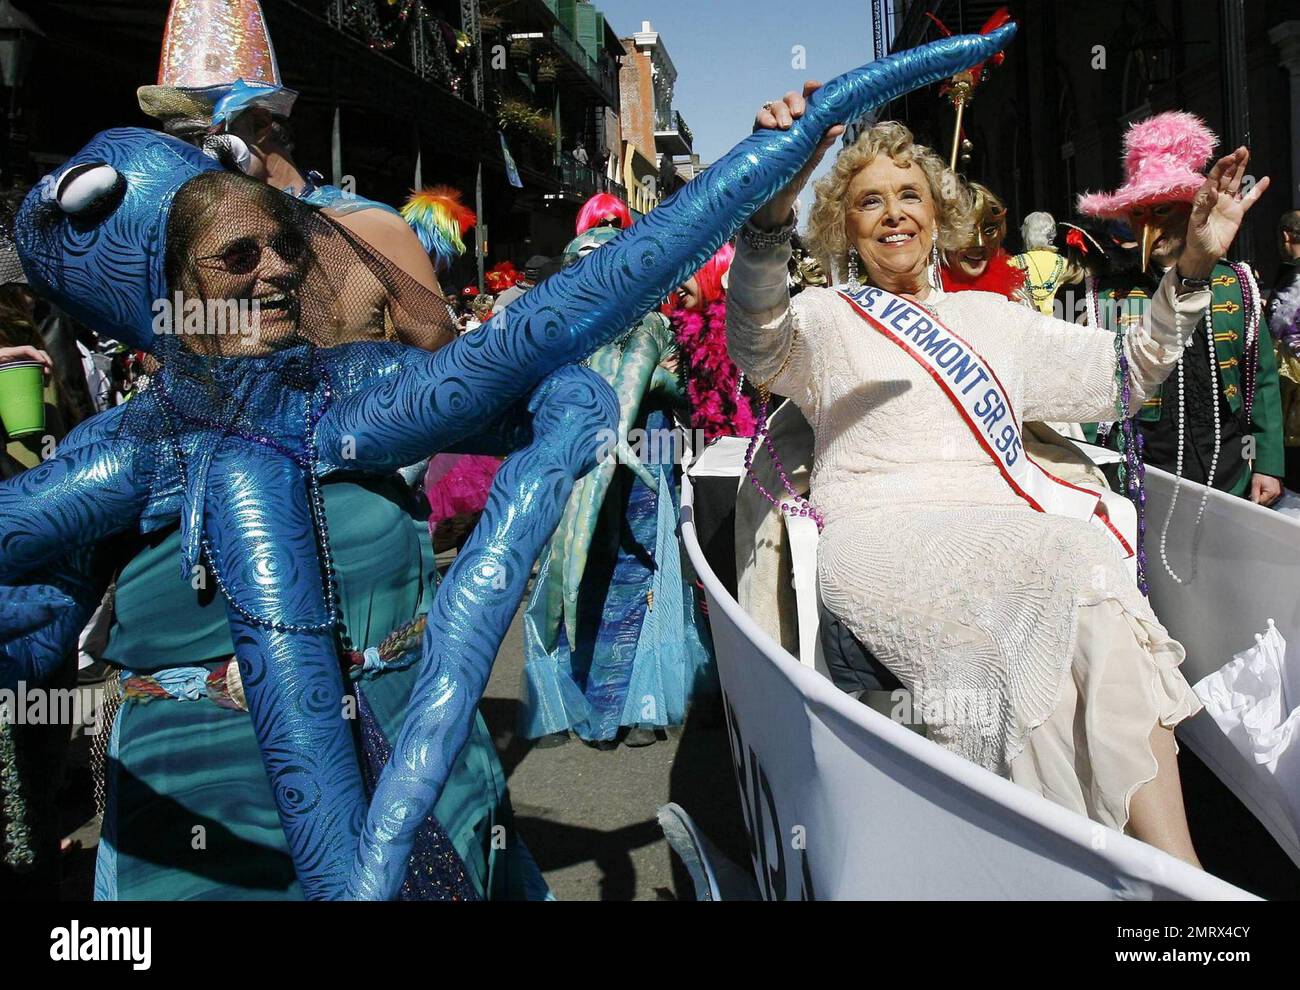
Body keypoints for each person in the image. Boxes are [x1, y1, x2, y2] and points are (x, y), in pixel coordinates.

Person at [732, 87, 1268, 863]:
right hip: (878, 539)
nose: (892, 214)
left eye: (909, 194)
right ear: (841, 223)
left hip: (1003, 532)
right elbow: (756, 335)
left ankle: (1170, 875)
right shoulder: (824, 319)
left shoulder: (995, 320)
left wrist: (1193, 266)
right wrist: (774, 201)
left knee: (1087, 592)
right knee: (1071, 566)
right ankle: (1130, 872)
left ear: (936, 209)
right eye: (868, 201)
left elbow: (1125, 377)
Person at [1078, 112, 1284, 508]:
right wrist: (1094, 472)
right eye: (1138, 213)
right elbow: (1093, 393)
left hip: (1231, 469)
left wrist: (1267, 462)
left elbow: (1260, 377)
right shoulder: (1103, 294)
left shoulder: (1238, 282)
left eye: (1161, 211)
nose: (1148, 226)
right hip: (1143, 473)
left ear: (1192, 209)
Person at [938, 181, 1026, 300]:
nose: (980, 243)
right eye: (967, 231)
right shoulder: (929, 291)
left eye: (989, 231)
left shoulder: (1014, 291)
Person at [1267, 211, 1300, 491]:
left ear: (1287, 236)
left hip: (1292, 378)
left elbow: (1279, 324)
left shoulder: (1291, 275)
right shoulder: (1288, 272)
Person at [1011, 211, 1070, 316]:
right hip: (1061, 324)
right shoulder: (1067, 265)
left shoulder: (1013, 263)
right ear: (1052, 234)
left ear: (1026, 234)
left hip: (1027, 326)